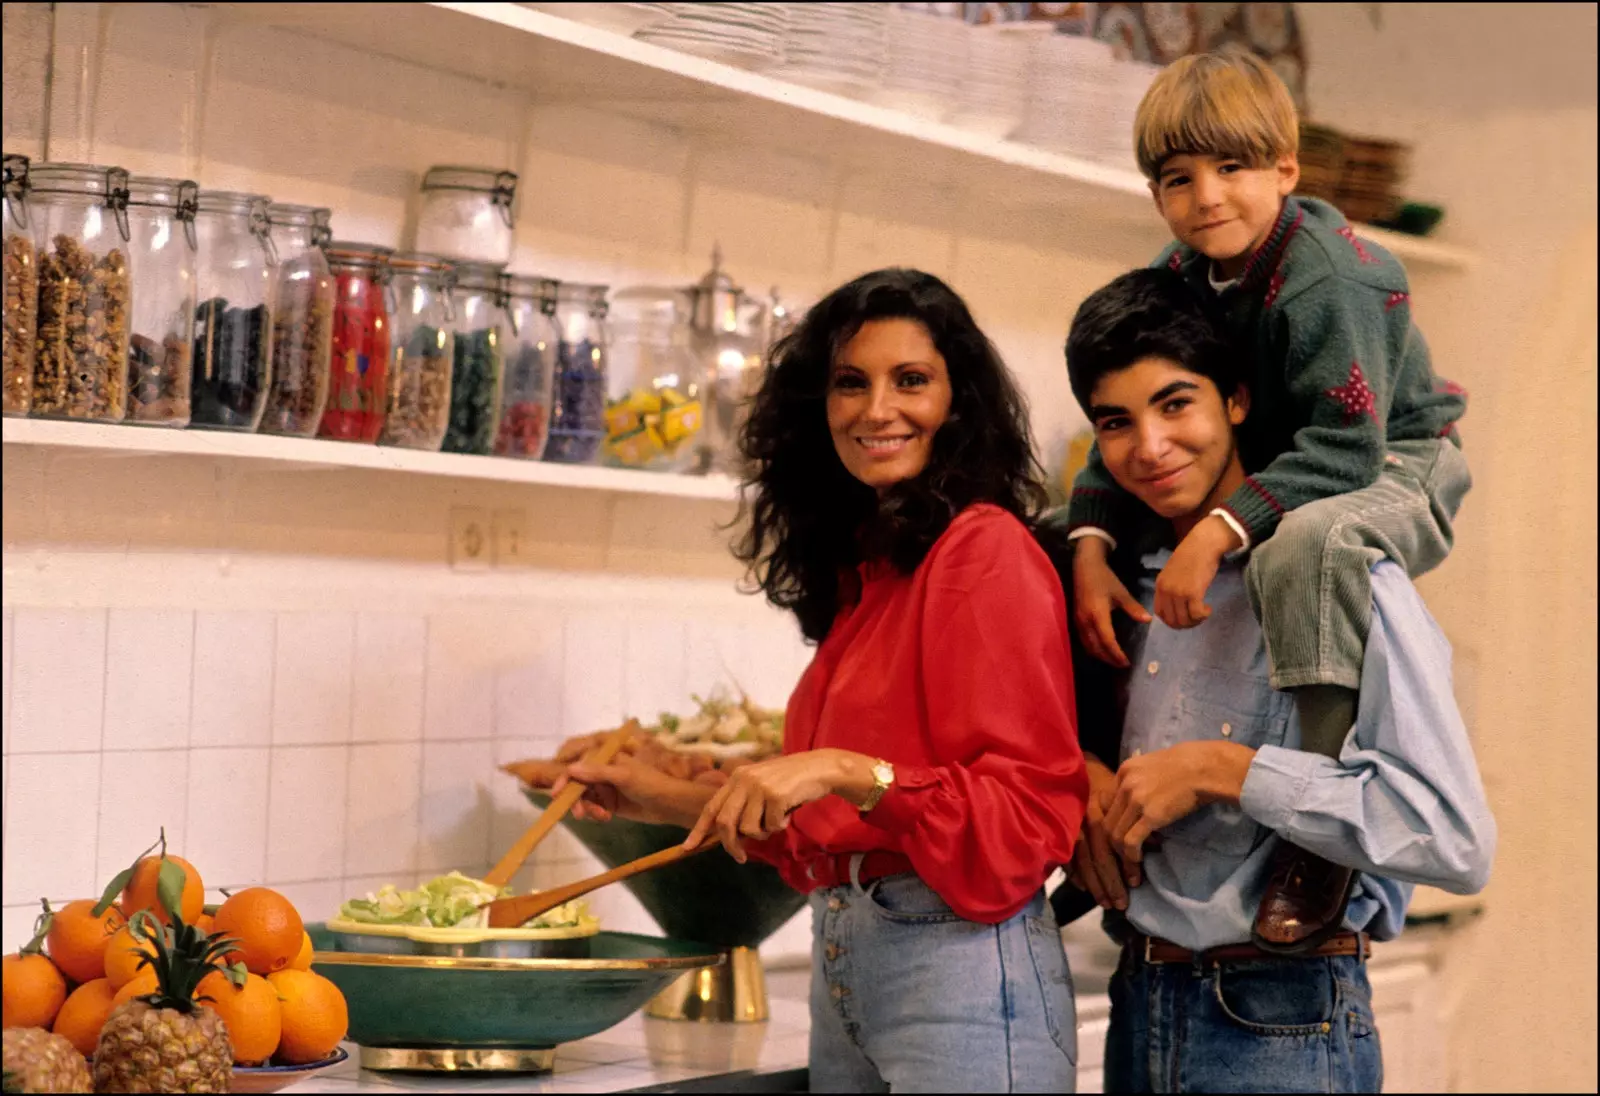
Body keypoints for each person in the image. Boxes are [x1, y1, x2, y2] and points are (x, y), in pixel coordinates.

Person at [554, 268, 1090, 1094]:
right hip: (850, 967)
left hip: (960, 974)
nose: (877, 409)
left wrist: (843, 767)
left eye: (911, 380)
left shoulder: (983, 551)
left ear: (959, 404)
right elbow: (824, 825)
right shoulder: (869, 573)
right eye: (851, 383)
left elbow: (1022, 823)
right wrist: (656, 797)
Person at [1052, 48, 1474, 952]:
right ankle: (1102, 833)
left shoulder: (1330, 276)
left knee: (1305, 546)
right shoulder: (1187, 267)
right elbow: (1116, 409)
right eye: (1179, 177)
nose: (1207, 196)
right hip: (1316, 451)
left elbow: (1346, 446)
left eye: (1232, 168)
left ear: (1287, 169)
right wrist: (1088, 544)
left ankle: (1314, 835)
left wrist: (1217, 529)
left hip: (1399, 457)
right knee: (1070, 535)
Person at [1058, 267, 1495, 1093]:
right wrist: (1075, 783)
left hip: (1283, 1022)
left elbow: (1453, 838)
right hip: (1138, 1003)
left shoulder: (1344, 576)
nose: (1148, 447)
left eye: (1176, 403)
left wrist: (1221, 771)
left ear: (1238, 401)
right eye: (1116, 422)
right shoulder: (1118, 585)